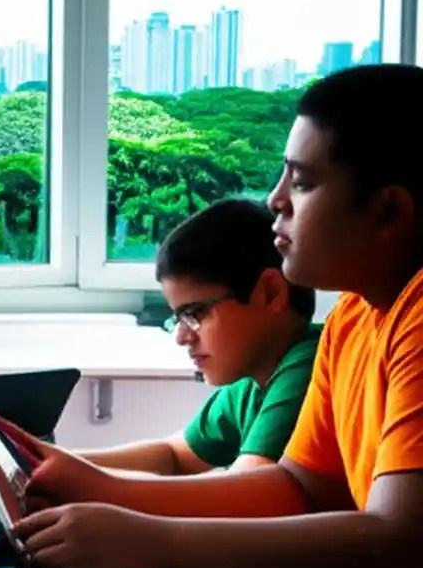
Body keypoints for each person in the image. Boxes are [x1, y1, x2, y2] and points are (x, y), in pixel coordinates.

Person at [5, 64, 423, 568]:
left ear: (388, 210)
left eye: (301, 182)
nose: (276, 200)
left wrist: (157, 542)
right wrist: (96, 486)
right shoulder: (351, 320)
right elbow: (295, 487)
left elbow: (401, 541)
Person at [78, 198, 320, 477]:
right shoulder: (249, 382)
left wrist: (91, 487)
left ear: (270, 293)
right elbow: (174, 456)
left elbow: (241, 494)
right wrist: (51, 460)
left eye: (194, 313)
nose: (181, 337)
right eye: (177, 318)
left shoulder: (308, 365)